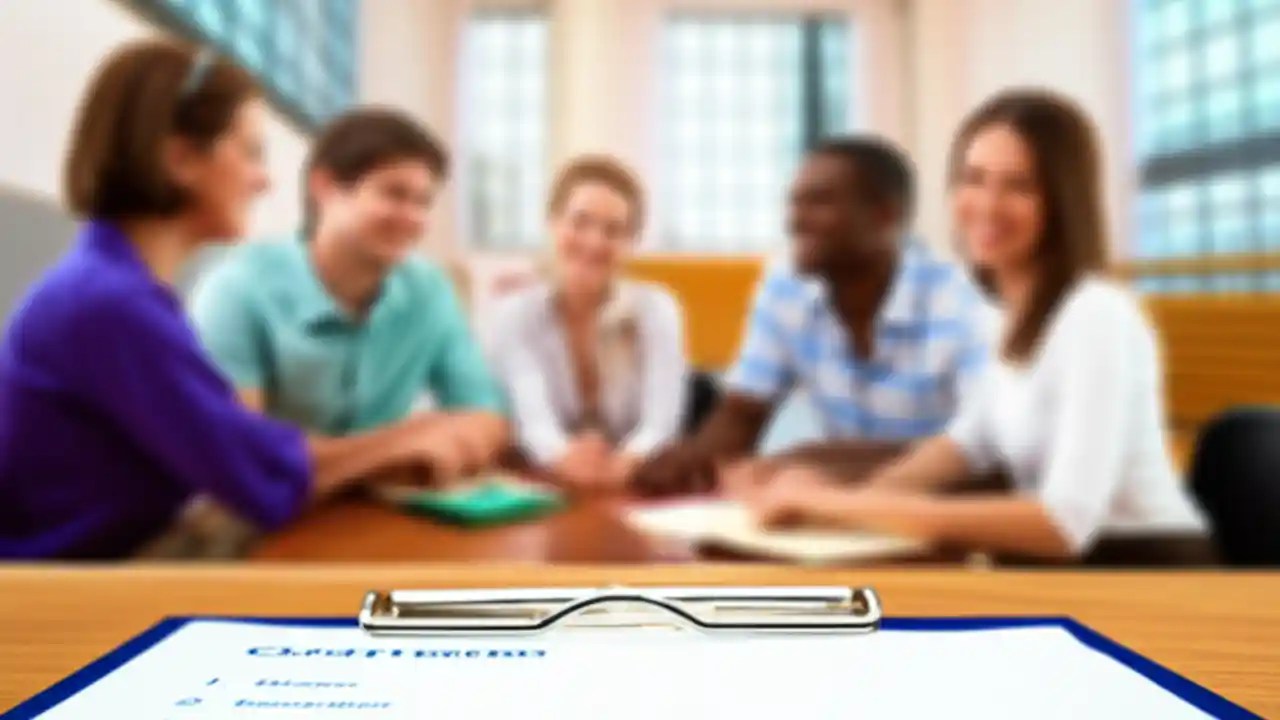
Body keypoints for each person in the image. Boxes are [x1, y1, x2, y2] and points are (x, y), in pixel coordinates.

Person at [0, 42, 452, 559]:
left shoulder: (118, 288)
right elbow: (254, 473)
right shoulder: (108, 304)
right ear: (181, 159)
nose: (265, 180)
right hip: (61, 597)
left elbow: (239, 451)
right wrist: (403, 441)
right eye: (252, 152)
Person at [743, 90, 1208, 562]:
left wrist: (846, 506)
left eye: (1019, 186)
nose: (987, 204)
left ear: (1061, 202)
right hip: (1058, 571)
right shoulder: (999, 315)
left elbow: (1065, 523)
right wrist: (841, 505)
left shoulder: (1097, 314)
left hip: (1143, 565)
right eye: (974, 179)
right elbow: (968, 441)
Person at [633, 137, 991, 495]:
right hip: (843, 515)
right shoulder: (786, 287)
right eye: (794, 203)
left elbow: (983, 455)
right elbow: (742, 414)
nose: (794, 221)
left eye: (819, 202)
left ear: (885, 215)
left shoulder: (960, 303)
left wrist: (813, 461)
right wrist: (691, 459)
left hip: (947, 516)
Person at [189, 108, 507, 479]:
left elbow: (487, 418)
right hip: (262, 524)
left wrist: (450, 441)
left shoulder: (431, 290)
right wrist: (404, 441)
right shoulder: (237, 288)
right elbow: (243, 460)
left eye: (423, 202)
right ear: (324, 187)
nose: (411, 218)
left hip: (380, 510)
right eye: (394, 193)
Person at [487, 156, 687, 488]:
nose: (594, 242)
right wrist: (564, 457)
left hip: (635, 483)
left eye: (614, 231)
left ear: (632, 243)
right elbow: (533, 422)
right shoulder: (515, 315)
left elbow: (661, 422)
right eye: (580, 222)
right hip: (544, 483)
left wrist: (627, 461)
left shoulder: (657, 309)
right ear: (552, 224)